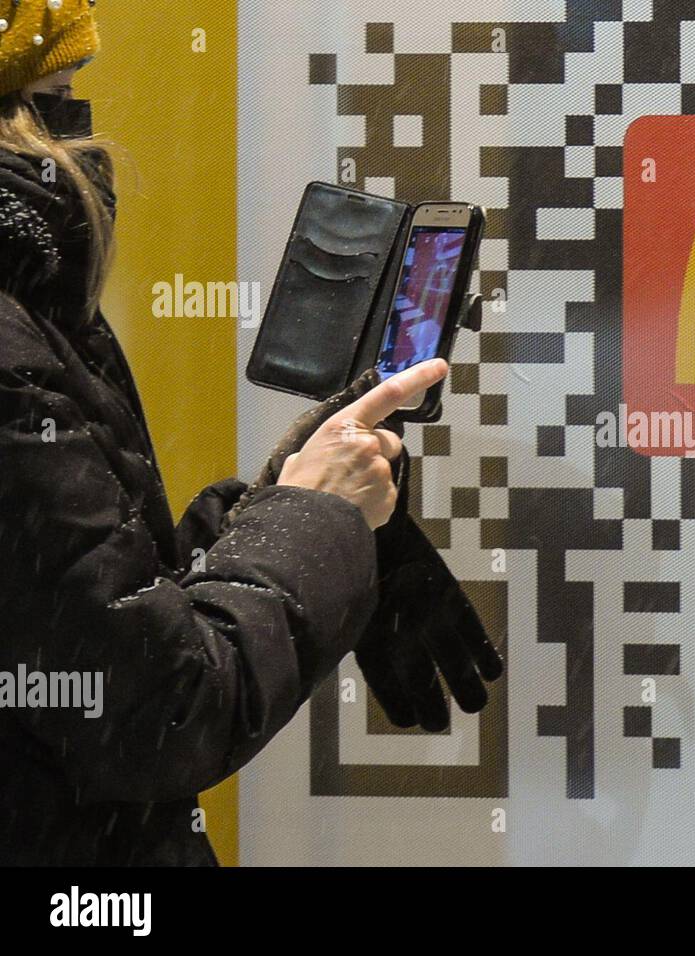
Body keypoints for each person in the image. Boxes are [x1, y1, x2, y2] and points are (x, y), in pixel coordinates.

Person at [0, 2, 501, 865]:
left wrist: (294, 500)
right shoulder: (12, 348)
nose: (82, 141)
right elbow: (160, 708)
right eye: (60, 93)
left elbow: (104, 612)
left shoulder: (30, 310)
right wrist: (313, 522)